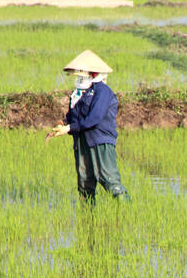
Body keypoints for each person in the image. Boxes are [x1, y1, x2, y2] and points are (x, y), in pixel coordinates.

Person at [46, 50, 129, 203]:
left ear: (93, 73)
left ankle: (129, 213)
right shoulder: (79, 93)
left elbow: (94, 118)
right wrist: (62, 125)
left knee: (108, 179)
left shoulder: (102, 91)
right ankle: (87, 218)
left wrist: (69, 128)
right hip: (82, 142)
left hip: (99, 141)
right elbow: (74, 117)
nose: (78, 78)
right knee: (85, 183)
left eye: (81, 74)